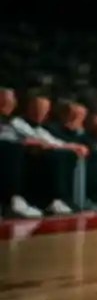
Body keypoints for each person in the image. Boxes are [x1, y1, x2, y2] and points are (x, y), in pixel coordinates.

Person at [10, 95, 88, 214]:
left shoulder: (42, 129)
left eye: (44, 109)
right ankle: (52, 200)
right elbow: (40, 143)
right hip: (26, 156)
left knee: (68, 154)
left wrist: (75, 147)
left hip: (42, 155)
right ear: (29, 108)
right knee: (57, 156)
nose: (40, 112)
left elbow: (54, 142)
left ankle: (67, 200)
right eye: (37, 108)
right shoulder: (17, 122)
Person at [1, 87, 44, 218]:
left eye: (12, 100)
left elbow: (38, 138)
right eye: (6, 100)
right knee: (12, 148)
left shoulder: (16, 122)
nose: (11, 103)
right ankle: (12, 199)